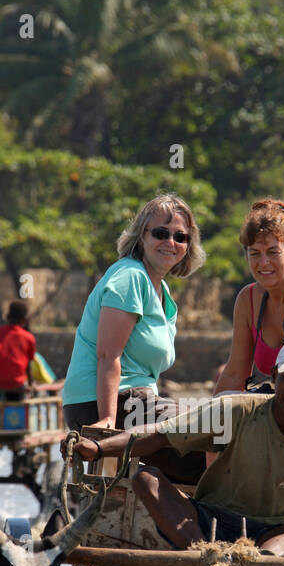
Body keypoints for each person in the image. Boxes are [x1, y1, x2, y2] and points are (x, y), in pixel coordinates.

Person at [63, 336, 284, 557]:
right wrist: (99, 448)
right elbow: (161, 434)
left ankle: (260, 563)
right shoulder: (236, 410)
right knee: (145, 478)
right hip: (207, 522)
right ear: (274, 378)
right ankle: (206, 555)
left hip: (273, 536)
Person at [61, 192, 206, 481]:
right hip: (109, 403)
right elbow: (108, 354)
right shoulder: (130, 277)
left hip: (139, 403)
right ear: (141, 236)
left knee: (217, 431)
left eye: (181, 237)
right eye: (161, 233)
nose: (171, 243)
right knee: (214, 428)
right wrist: (107, 420)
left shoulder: (163, 293)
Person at [212, 198, 284, 394]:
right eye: (254, 253)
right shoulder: (248, 300)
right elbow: (235, 373)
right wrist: (209, 420)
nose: (264, 262)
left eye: (273, 252)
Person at [0, 299, 38, 400]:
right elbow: (27, 364)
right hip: (16, 384)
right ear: (24, 320)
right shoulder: (28, 338)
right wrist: (31, 383)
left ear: (8, 317)